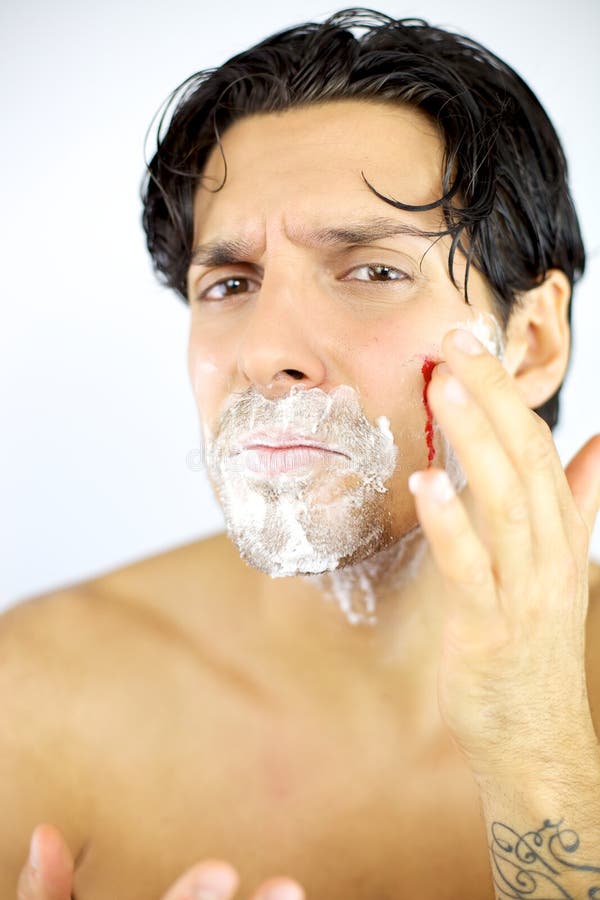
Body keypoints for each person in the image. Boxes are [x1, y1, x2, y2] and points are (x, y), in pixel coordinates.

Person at [4, 8, 600, 899]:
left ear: (534, 341)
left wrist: (539, 747)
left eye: (373, 271)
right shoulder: (29, 700)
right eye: (230, 283)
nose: (265, 351)